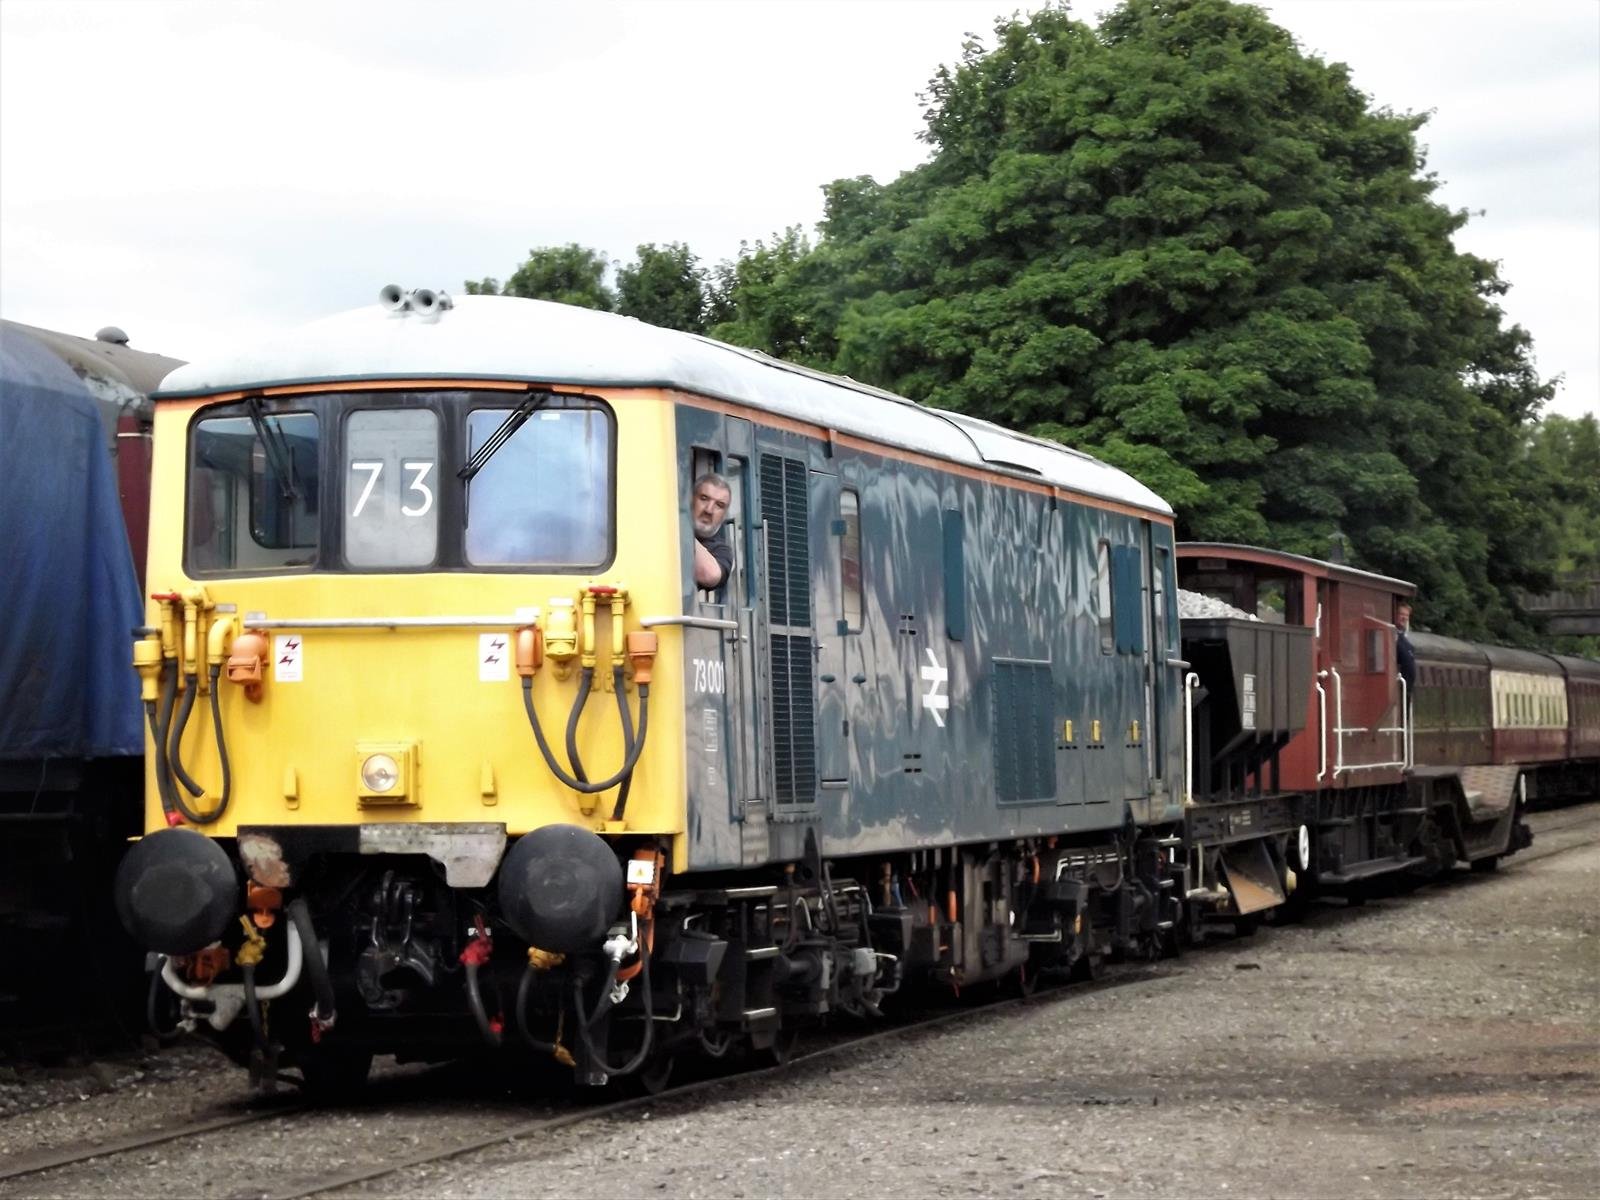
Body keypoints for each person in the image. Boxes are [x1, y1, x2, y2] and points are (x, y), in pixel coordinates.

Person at [691, 472, 733, 590]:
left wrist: (680, 526)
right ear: (690, 500)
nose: (709, 510)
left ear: (724, 515)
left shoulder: (721, 550)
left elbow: (710, 575)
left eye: (719, 505)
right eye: (704, 499)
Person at [1395, 602, 1417, 696]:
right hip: (1398, 690)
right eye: (1401, 614)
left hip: (1406, 690)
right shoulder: (1393, 637)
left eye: (1406, 615)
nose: (1404, 618)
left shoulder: (1403, 638)